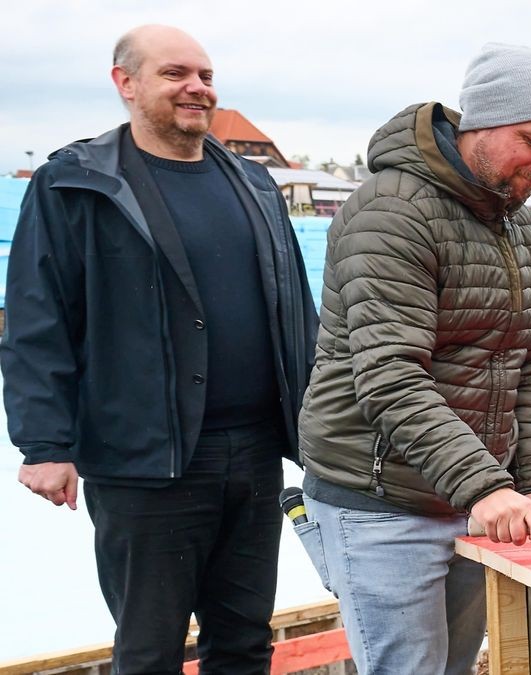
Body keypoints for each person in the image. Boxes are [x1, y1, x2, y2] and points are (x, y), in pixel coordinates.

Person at [1, 25, 318, 672]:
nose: (197, 87)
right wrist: (44, 444)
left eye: (204, 75)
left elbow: (297, 314)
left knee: (244, 641)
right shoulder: (76, 183)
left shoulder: (253, 184)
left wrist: (319, 425)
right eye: (176, 73)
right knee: (149, 648)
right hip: (145, 458)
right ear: (126, 83)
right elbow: (39, 319)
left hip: (256, 454)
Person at [296, 42, 531, 675]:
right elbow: (390, 373)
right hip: (381, 503)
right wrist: (486, 485)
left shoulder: (522, 228)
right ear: (476, 124)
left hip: (473, 500)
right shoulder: (391, 211)